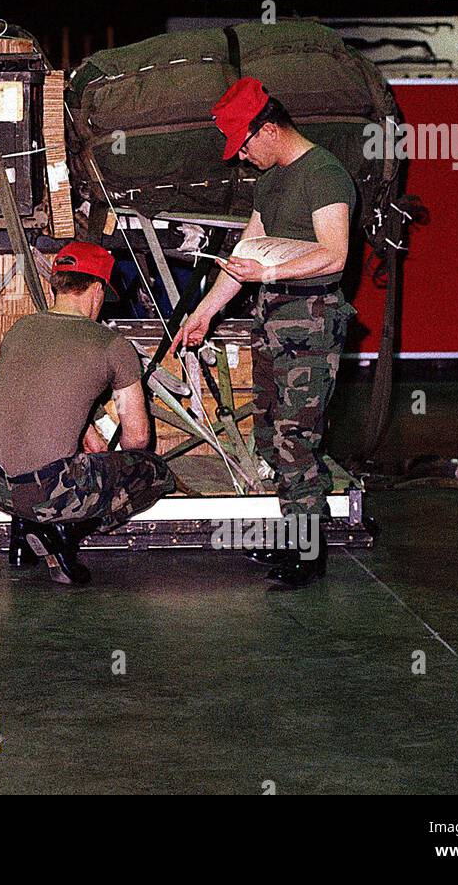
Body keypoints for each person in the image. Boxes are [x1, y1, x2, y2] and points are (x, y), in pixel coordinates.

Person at [170, 77, 356, 588]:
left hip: (310, 325)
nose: (242, 157)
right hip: (271, 323)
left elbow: (335, 255)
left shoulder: (324, 174)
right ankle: (294, 533)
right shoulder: (271, 181)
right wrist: (205, 313)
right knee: (270, 435)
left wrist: (269, 274)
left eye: (245, 144)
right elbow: (243, 257)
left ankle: (309, 551)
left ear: (269, 128)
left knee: (298, 439)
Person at [0, 241, 177, 585]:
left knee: (32, 457)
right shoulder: (114, 346)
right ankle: (63, 535)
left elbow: (41, 397)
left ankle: (23, 534)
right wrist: (108, 470)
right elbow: (138, 438)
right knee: (152, 471)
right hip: (42, 491)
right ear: (97, 290)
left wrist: (84, 436)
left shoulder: (20, 329)